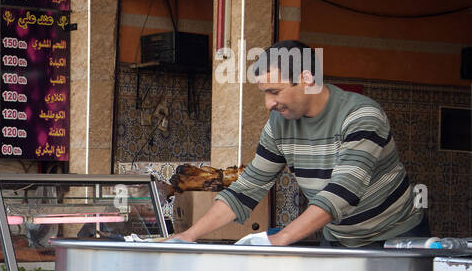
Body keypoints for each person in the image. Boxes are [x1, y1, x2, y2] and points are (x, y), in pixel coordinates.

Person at [175, 41, 429, 247]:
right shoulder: (279, 124)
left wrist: (280, 239)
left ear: (307, 79)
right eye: (265, 93)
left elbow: (343, 191)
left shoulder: (361, 115)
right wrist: (189, 236)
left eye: (275, 92)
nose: (268, 104)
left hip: (394, 238)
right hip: (338, 239)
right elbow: (248, 187)